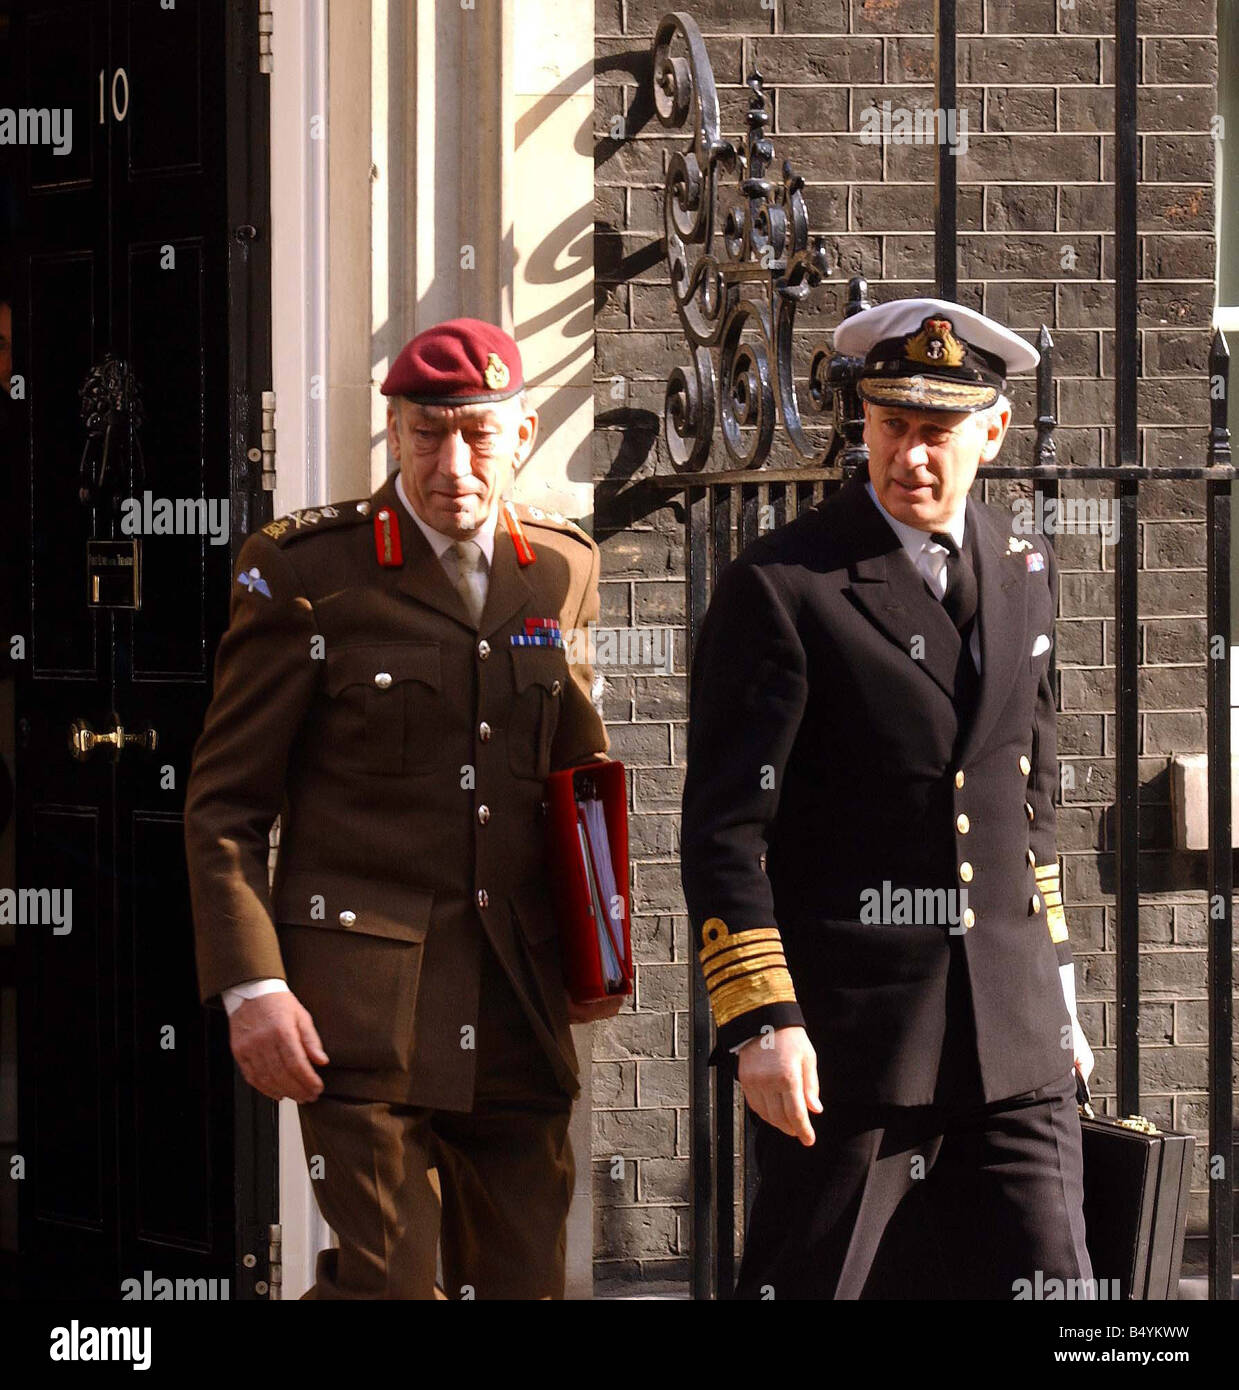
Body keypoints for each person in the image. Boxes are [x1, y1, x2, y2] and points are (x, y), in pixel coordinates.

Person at [184, 317, 618, 1299]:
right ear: (393, 433)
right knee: (391, 1280)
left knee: (524, 1285)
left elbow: (577, 774)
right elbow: (225, 806)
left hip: (520, 1003)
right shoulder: (301, 572)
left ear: (524, 431)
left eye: (476, 432)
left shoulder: (563, 567)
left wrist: (599, 948)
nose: (452, 463)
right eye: (427, 434)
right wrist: (253, 989)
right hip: (358, 1012)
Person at [680, 298, 1095, 1299]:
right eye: (891, 425)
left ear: (991, 432)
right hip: (853, 1043)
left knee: (1065, 1290)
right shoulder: (784, 586)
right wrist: (761, 1021)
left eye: (937, 431)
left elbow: (1026, 805)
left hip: (1016, 1025)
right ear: (863, 422)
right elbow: (728, 833)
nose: (910, 454)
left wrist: (1062, 984)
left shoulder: (1027, 569)